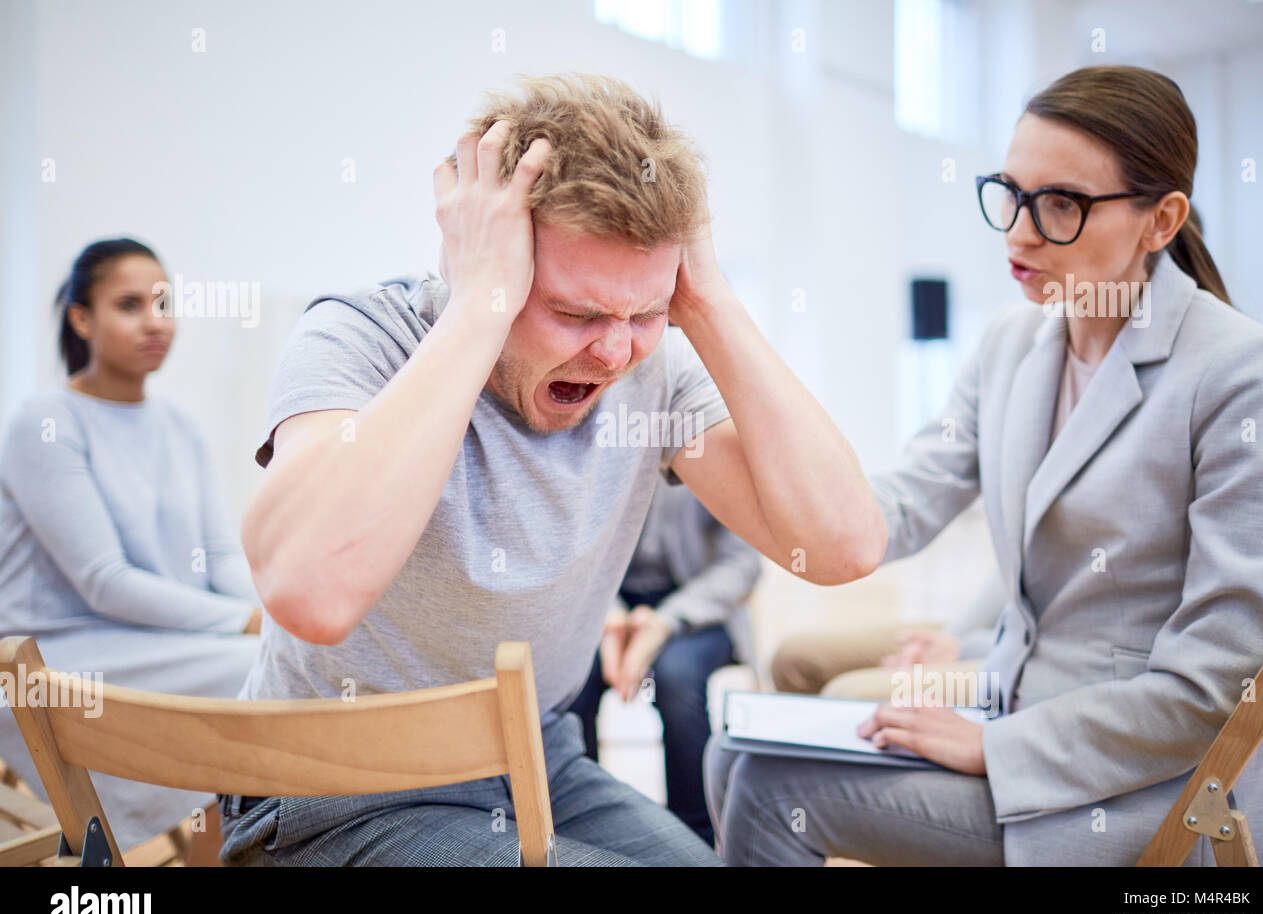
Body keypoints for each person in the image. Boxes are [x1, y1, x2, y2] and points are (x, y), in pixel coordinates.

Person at [217, 73, 887, 867]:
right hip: (334, 791)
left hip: (535, 757)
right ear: (483, 259)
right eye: (575, 313)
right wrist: (478, 305)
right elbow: (309, 593)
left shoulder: (654, 374)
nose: (614, 351)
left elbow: (844, 547)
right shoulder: (362, 336)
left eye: (647, 312)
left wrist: (707, 299)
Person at [705, 65, 1263, 867]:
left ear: (1161, 220)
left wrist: (998, 747)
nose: (1019, 233)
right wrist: (701, 440)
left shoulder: (1246, 375)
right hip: (1018, 713)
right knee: (734, 750)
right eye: (1011, 194)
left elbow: (1222, 685)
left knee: (772, 789)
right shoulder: (1011, 345)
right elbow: (897, 509)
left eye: (1061, 204)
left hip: (1162, 784)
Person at [0, 238, 264, 864]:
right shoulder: (46, 422)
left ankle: (216, 853)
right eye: (129, 304)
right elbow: (104, 581)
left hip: (159, 641)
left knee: (282, 655)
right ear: (81, 318)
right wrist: (246, 623)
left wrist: (275, 614)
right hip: (57, 650)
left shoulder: (179, 426)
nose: (155, 321)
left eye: (164, 304)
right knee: (256, 670)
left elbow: (220, 559)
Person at [569, 479, 760, 846]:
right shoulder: (593, 460)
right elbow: (573, 553)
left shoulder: (718, 455)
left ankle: (697, 836)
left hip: (700, 609)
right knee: (572, 677)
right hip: (607, 603)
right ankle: (580, 829)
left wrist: (663, 623)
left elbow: (742, 564)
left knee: (677, 678)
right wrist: (609, 614)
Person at [769, 571, 1003, 702]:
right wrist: (946, 640)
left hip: (1014, 658)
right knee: (796, 658)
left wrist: (963, 650)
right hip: (991, 627)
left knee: (851, 695)